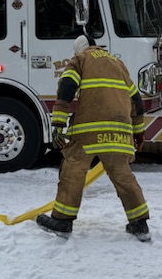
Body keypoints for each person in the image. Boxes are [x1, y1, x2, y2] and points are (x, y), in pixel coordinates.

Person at [36, 35, 151, 241]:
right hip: (119, 131)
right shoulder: (118, 64)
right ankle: (139, 223)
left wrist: (58, 125)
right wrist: (138, 132)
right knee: (123, 175)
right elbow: (136, 100)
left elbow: (66, 89)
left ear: (79, 49)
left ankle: (62, 221)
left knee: (72, 169)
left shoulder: (80, 60)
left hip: (89, 131)